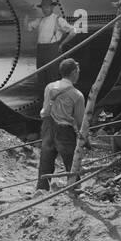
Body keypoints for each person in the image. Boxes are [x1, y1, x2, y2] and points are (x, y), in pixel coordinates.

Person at [35, 58, 89, 193]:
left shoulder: (49, 87)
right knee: (71, 161)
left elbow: (46, 109)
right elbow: (80, 120)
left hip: (47, 127)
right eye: (78, 71)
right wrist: (86, 138)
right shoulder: (77, 95)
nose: (79, 74)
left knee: (46, 159)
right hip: (64, 131)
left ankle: (41, 189)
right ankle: (74, 189)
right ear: (73, 72)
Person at [27, 0, 75, 78]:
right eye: (43, 7)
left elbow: (73, 31)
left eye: (47, 7)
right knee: (41, 75)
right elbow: (28, 28)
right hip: (41, 51)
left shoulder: (58, 19)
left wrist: (61, 44)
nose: (45, 9)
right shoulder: (40, 20)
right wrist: (26, 14)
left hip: (52, 51)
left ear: (52, 7)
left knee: (53, 75)